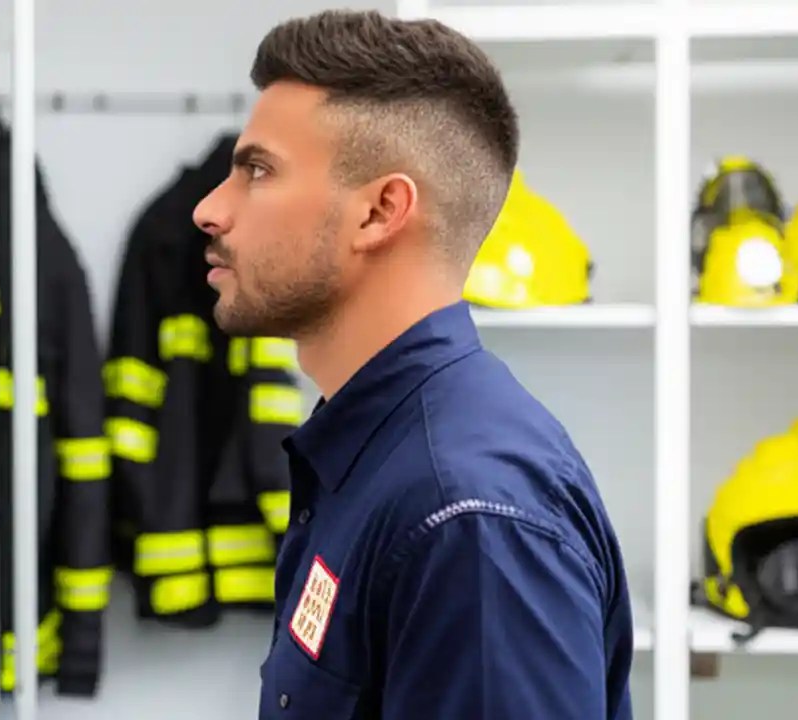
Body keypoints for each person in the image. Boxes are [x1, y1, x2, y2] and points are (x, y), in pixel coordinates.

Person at [192, 9, 635, 720]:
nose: (210, 210)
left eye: (256, 171)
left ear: (379, 212)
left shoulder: (468, 520)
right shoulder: (373, 458)